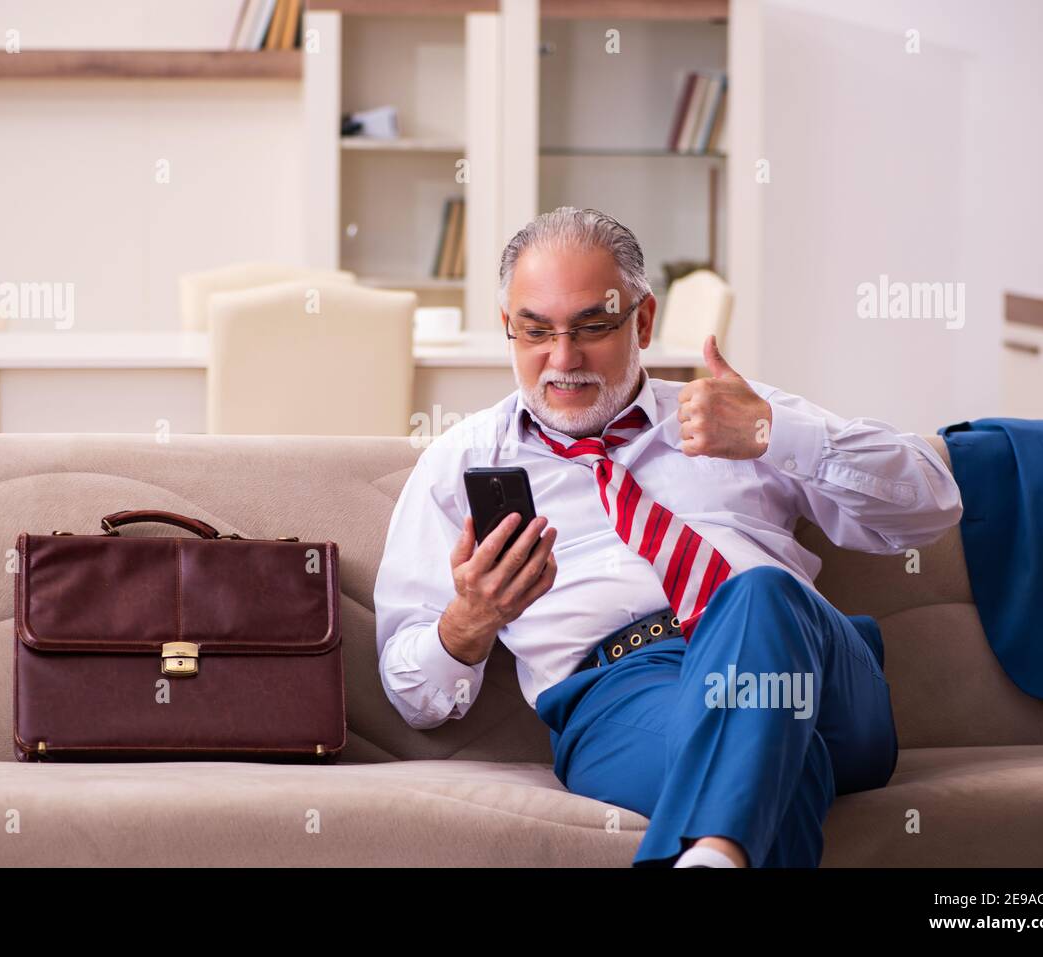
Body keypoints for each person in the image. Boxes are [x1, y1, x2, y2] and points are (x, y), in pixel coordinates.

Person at [373, 207, 963, 867]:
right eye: (535, 330)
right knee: (780, 769)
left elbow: (933, 503)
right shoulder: (460, 462)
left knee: (759, 592)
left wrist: (779, 432)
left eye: (592, 326)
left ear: (643, 320)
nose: (562, 359)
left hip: (806, 669)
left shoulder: (731, 411)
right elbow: (411, 693)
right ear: (508, 326)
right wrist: (469, 622)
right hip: (622, 699)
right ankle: (716, 849)